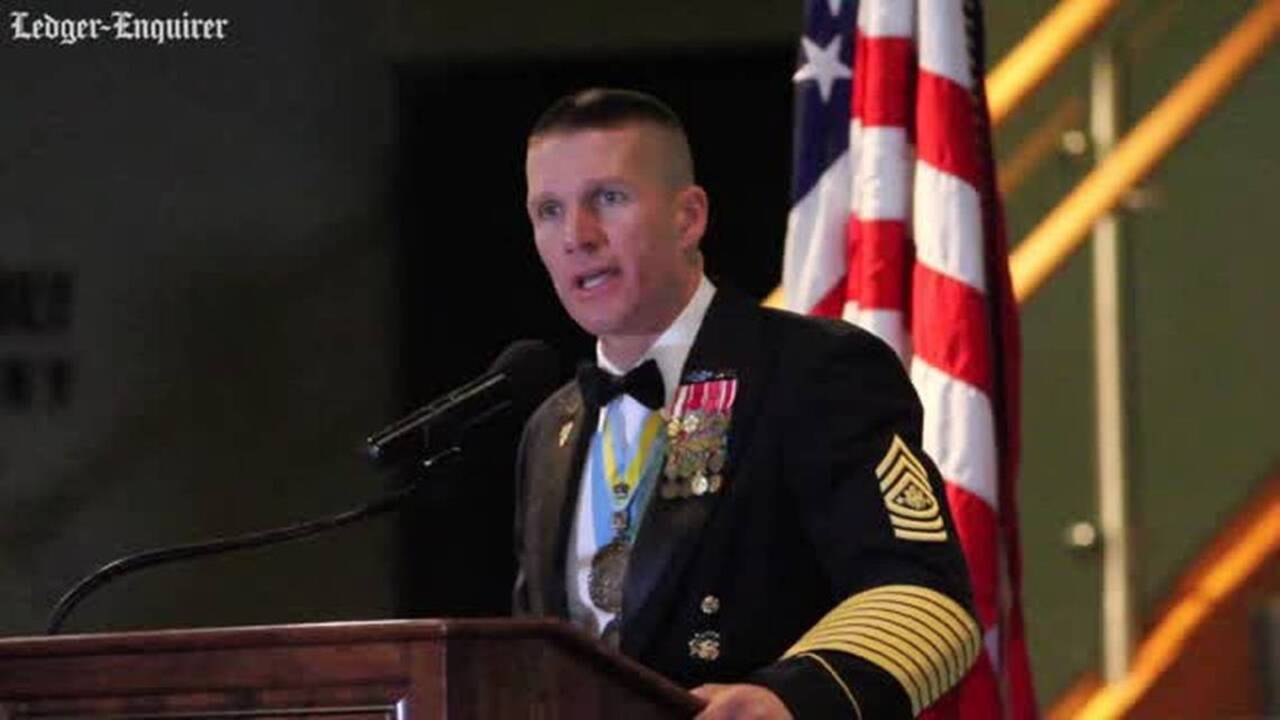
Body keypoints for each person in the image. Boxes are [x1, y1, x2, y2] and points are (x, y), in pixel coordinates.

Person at [513, 88, 979, 719]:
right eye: (549, 210)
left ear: (689, 218)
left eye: (609, 199)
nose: (577, 236)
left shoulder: (812, 370)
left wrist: (786, 700)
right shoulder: (551, 429)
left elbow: (925, 598)